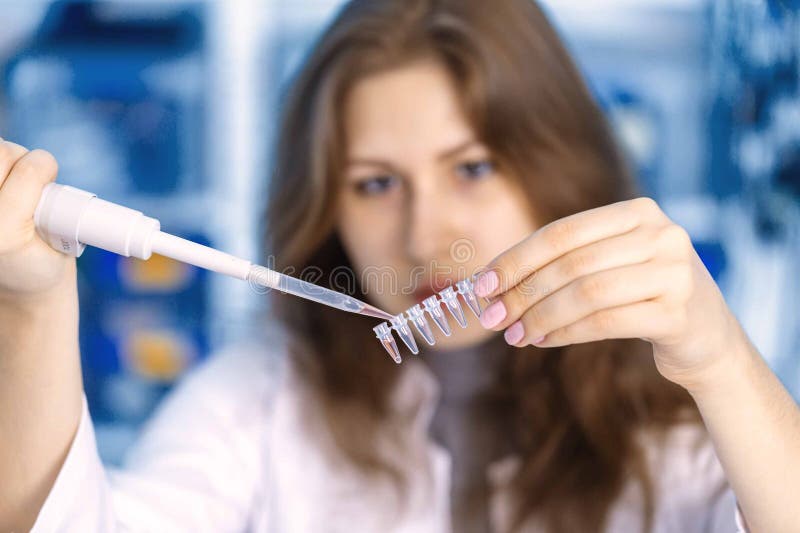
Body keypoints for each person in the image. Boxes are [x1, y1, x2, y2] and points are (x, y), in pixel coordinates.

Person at [1, 0, 798, 531]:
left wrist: (722, 363)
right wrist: (33, 306)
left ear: (559, 169)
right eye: (376, 184)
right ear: (327, 211)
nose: (425, 235)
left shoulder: (678, 423)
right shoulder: (261, 401)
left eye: (473, 167)